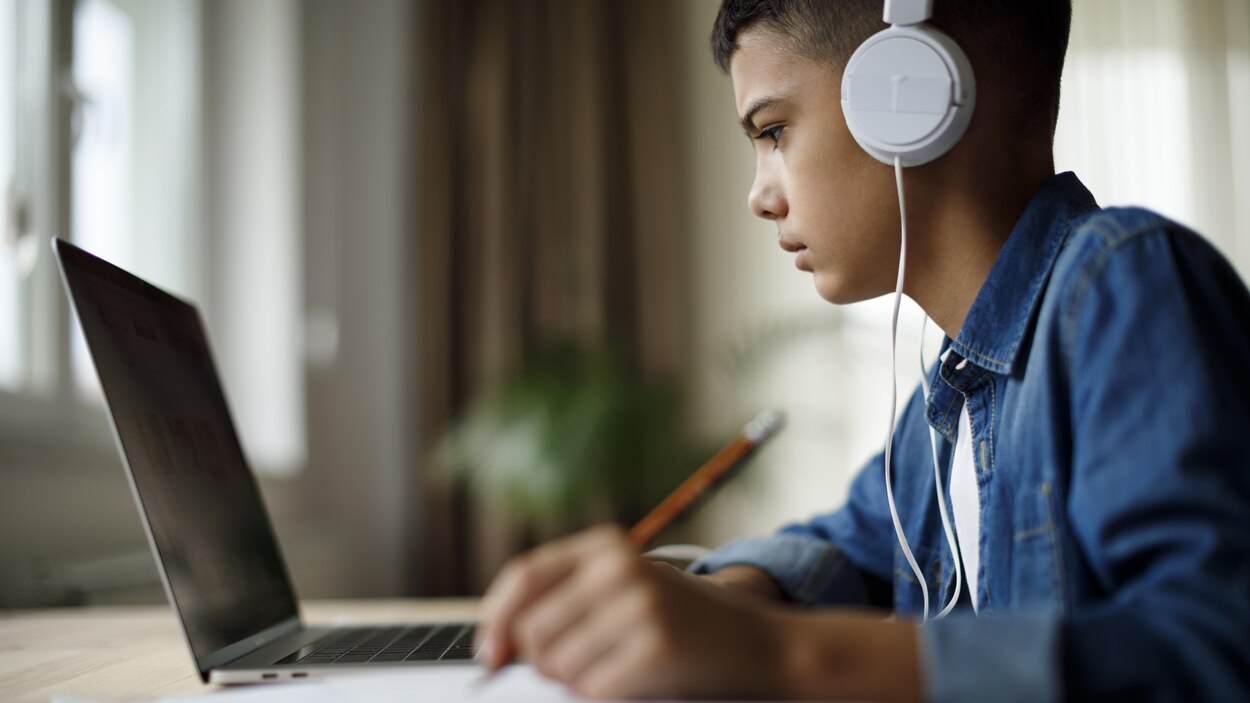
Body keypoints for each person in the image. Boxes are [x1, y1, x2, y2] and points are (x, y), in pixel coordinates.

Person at [473, 1, 1250, 700]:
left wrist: (777, 654)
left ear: (908, 96)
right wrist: (711, 602)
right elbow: (846, 544)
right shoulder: (950, 399)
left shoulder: (1122, 287)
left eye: (773, 131)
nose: (759, 196)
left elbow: (1213, 650)